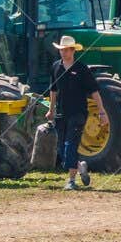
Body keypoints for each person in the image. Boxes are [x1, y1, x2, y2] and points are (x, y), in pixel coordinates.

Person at [46, 36, 108, 190]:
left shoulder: (81, 69)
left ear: (73, 50)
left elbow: (94, 92)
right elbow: (53, 90)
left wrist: (102, 112)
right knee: (61, 149)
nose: (64, 53)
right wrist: (51, 110)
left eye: (66, 50)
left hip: (78, 113)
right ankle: (81, 168)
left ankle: (71, 181)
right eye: (61, 50)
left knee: (70, 146)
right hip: (61, 113)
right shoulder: (55, 67)